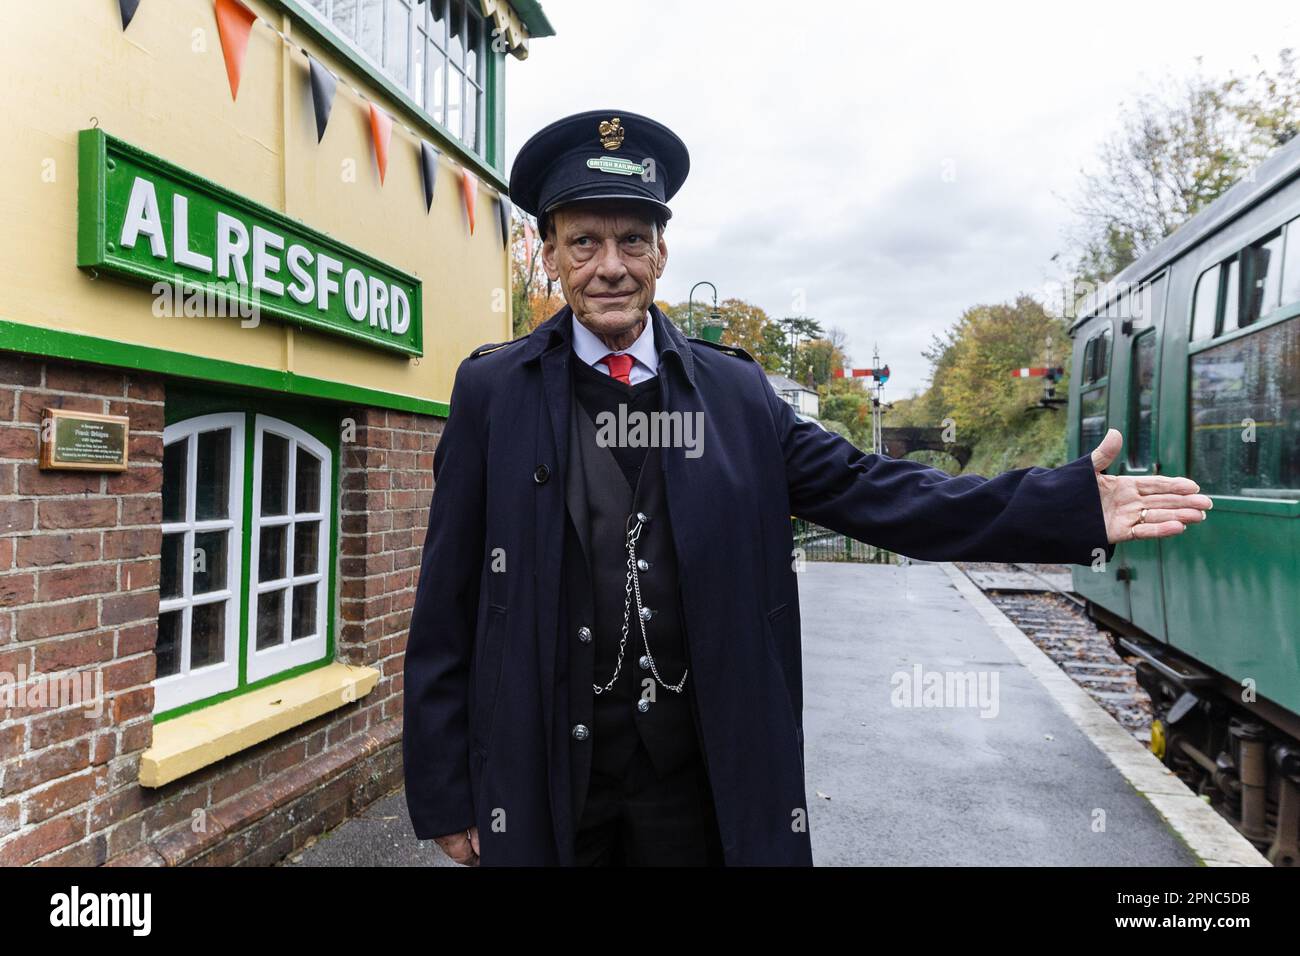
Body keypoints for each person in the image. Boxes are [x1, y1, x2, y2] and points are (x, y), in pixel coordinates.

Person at [402, 109, 1213, 866]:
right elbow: (449, 604)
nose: (609, 267)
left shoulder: (735, 396)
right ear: (549, 253)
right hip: (546, 781)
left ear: (662, 253)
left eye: (632, 240)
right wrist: (445, 793)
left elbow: (879, 493)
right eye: (583, 243)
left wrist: (1064, 503)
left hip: (705, 785)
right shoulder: (493, 393)